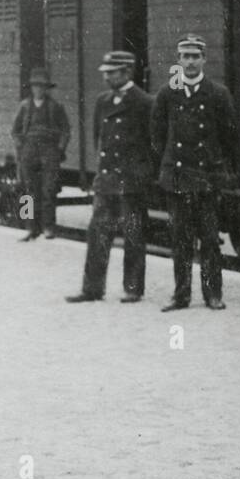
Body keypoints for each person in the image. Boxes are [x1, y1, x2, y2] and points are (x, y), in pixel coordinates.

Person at [151, 34, 239, 312]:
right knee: (180, 239)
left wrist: (220, 168)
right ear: (178, 60)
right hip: (177, 178)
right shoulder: (166, 93)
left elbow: (229, 135)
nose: (190, 62)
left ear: (204, 59)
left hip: (206, 177)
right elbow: (156, 135)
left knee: (211, 240)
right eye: (185, 57)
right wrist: (165, 168)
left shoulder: (217, 93)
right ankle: (181, 295)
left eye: (195, 56)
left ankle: (213, 294)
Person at [66, 51, 153, 304]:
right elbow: (98, 138)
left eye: (111, 72)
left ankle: (133, 288)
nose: (105, 77)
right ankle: (92, 288)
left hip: (131, 181)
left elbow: (152, 143)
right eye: (105, 72)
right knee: (97, 235)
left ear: (127, 72)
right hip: (106, 181)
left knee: (134, 236)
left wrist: (141, 174)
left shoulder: (144, 102)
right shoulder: (103, 101)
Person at [11, 66, 70, 240]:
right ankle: (28, 227)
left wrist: (60, 149)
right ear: (31, 88)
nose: (39, 89)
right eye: (36, 86)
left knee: (49, 190)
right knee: (27, 190)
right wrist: (20, 148)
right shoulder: (24, 106)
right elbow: (15, 131)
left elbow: (66, 130)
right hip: (28, 150)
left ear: (47, 88)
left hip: (49, 151)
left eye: (42, 86)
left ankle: (48, 228)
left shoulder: (56, 106)